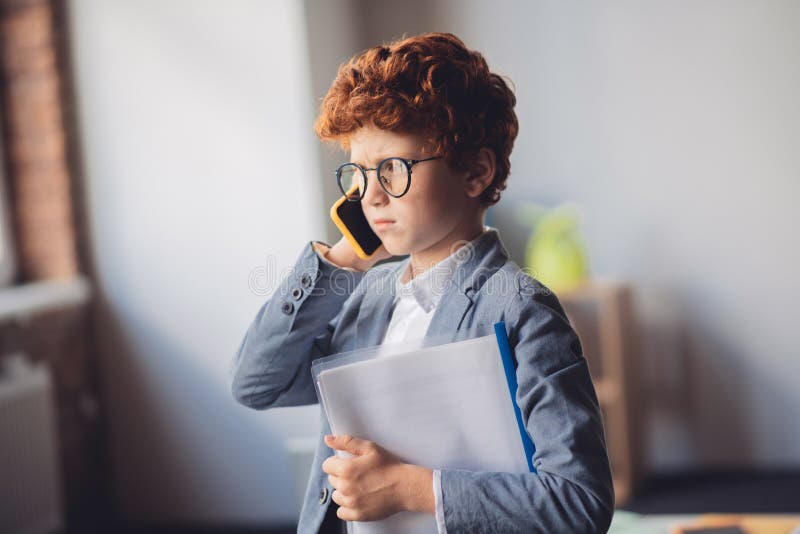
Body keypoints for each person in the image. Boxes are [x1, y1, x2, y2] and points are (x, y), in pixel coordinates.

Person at [231, 32, 613, 533]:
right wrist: (345, 256)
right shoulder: (365, 296)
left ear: (475, 172)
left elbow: (580, 502)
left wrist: (410, 488)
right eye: (359, 173)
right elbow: (257, 384)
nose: (371, 196)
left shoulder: (522, 310)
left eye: (393, 168)